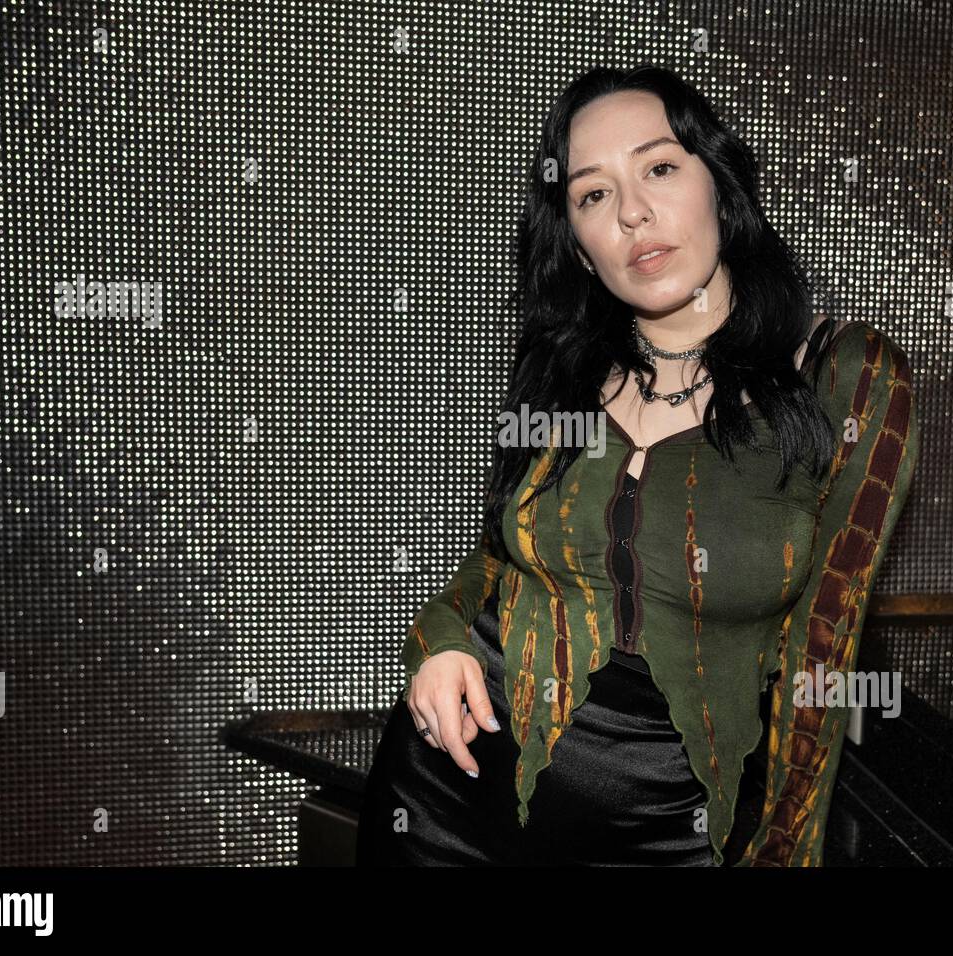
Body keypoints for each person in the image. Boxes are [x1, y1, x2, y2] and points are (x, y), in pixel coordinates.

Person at [356, 64, 920, 867]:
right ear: (581, 250)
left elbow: (820, 666)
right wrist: (439, 645)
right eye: (592, 194)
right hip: (447, 803)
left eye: (659, 167)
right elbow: (494, 560)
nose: (632, 213)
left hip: (670, 838)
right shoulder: (564, 367)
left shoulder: (846, 377)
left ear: (720, 188)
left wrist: (785, 856)